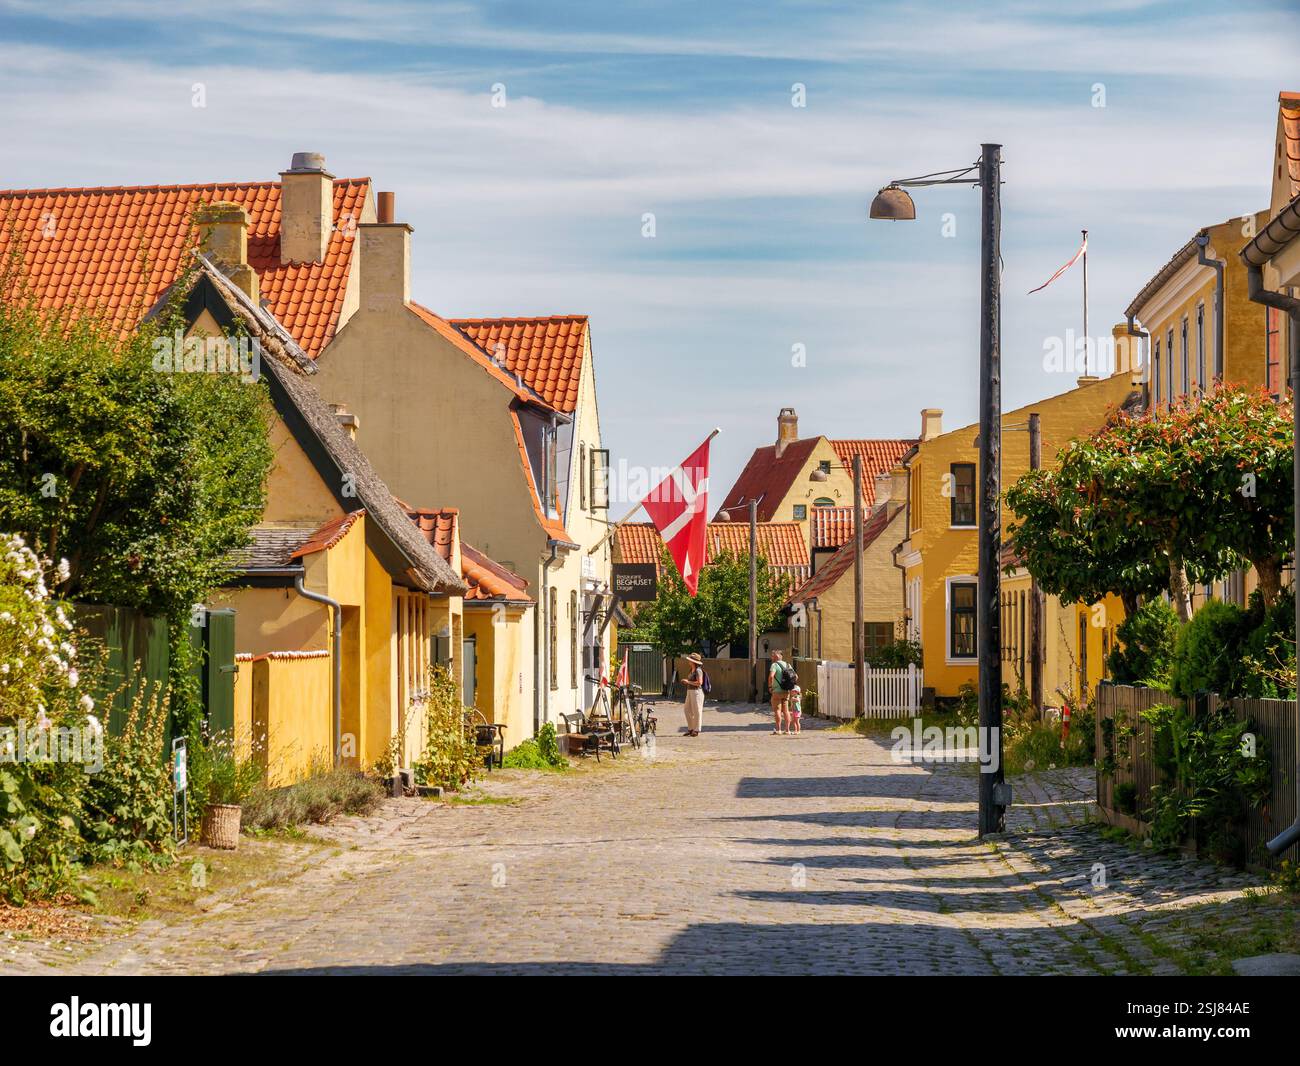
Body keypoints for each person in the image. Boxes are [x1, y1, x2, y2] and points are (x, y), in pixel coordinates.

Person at [768, 650, 794, 735]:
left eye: (772, 656)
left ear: (776, 657)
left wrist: (770, 687)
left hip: (777, 691)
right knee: (786, 711)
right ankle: (787, 730)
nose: (772, 657)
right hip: (786, 691)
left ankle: (778, 729)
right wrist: (790, 686)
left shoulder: (774, 665)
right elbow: (795, 676)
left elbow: (771, 676)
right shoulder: (788, 664)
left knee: (777, 710)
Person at [682, 652, 705, 737]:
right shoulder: (691, 670)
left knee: (697, 711)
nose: (689, 661)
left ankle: (696, 730)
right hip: (690, 691)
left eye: (690, 660)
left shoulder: (698, 670)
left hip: (697, 692)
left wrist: (688, 681)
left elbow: (699, 683)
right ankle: (691, 728)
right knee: (687, 710)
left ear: (694, 662)